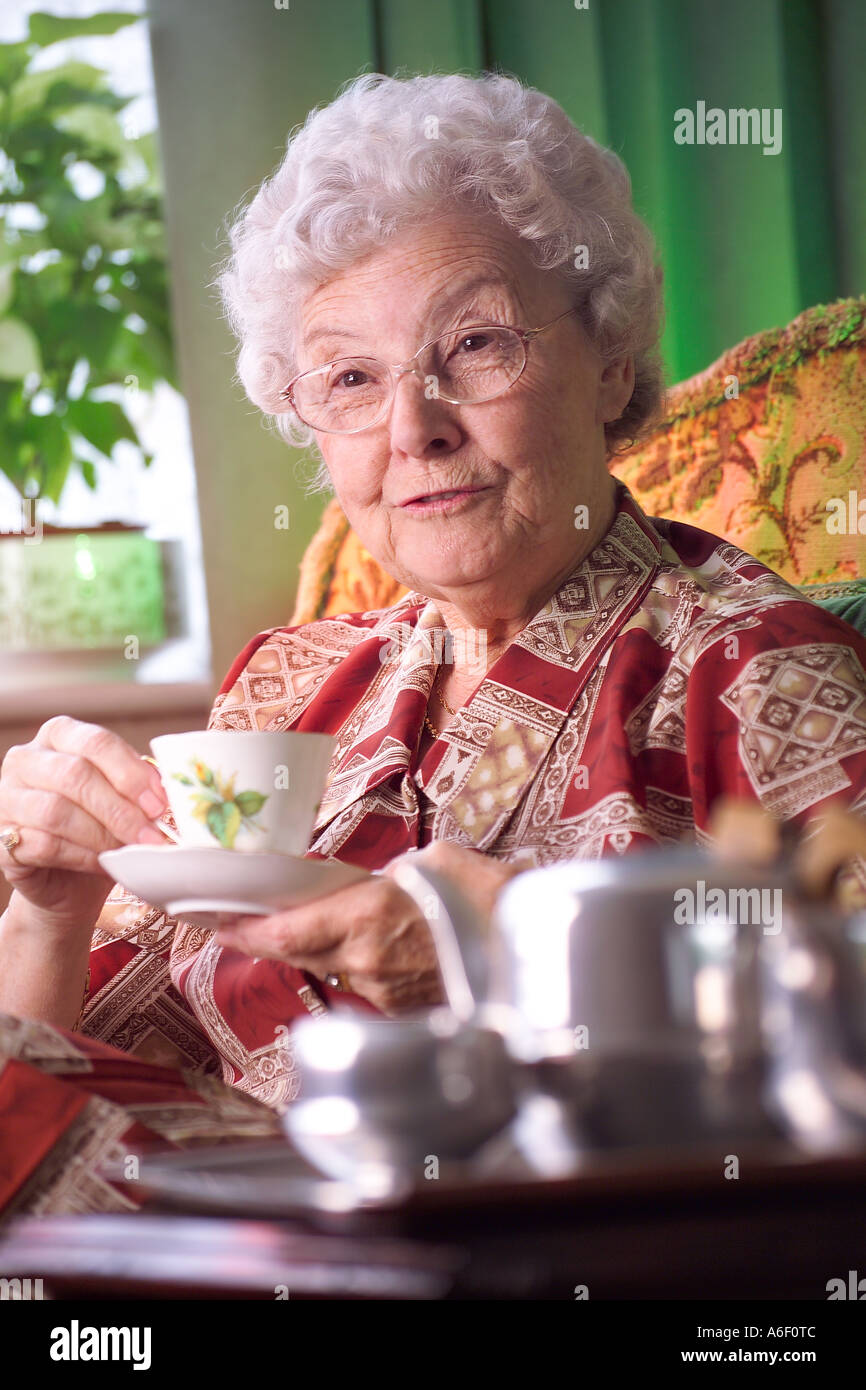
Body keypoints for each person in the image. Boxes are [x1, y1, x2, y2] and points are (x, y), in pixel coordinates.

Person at [1, 73, 866, 1187]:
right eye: (351, 376)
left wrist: (508, 964)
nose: (413, 427)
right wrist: (46, 913)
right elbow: (46, 1084)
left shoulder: (755, 666)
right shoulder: (284, 690)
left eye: (474, 345)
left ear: (606, 360)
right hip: (183, 1245)